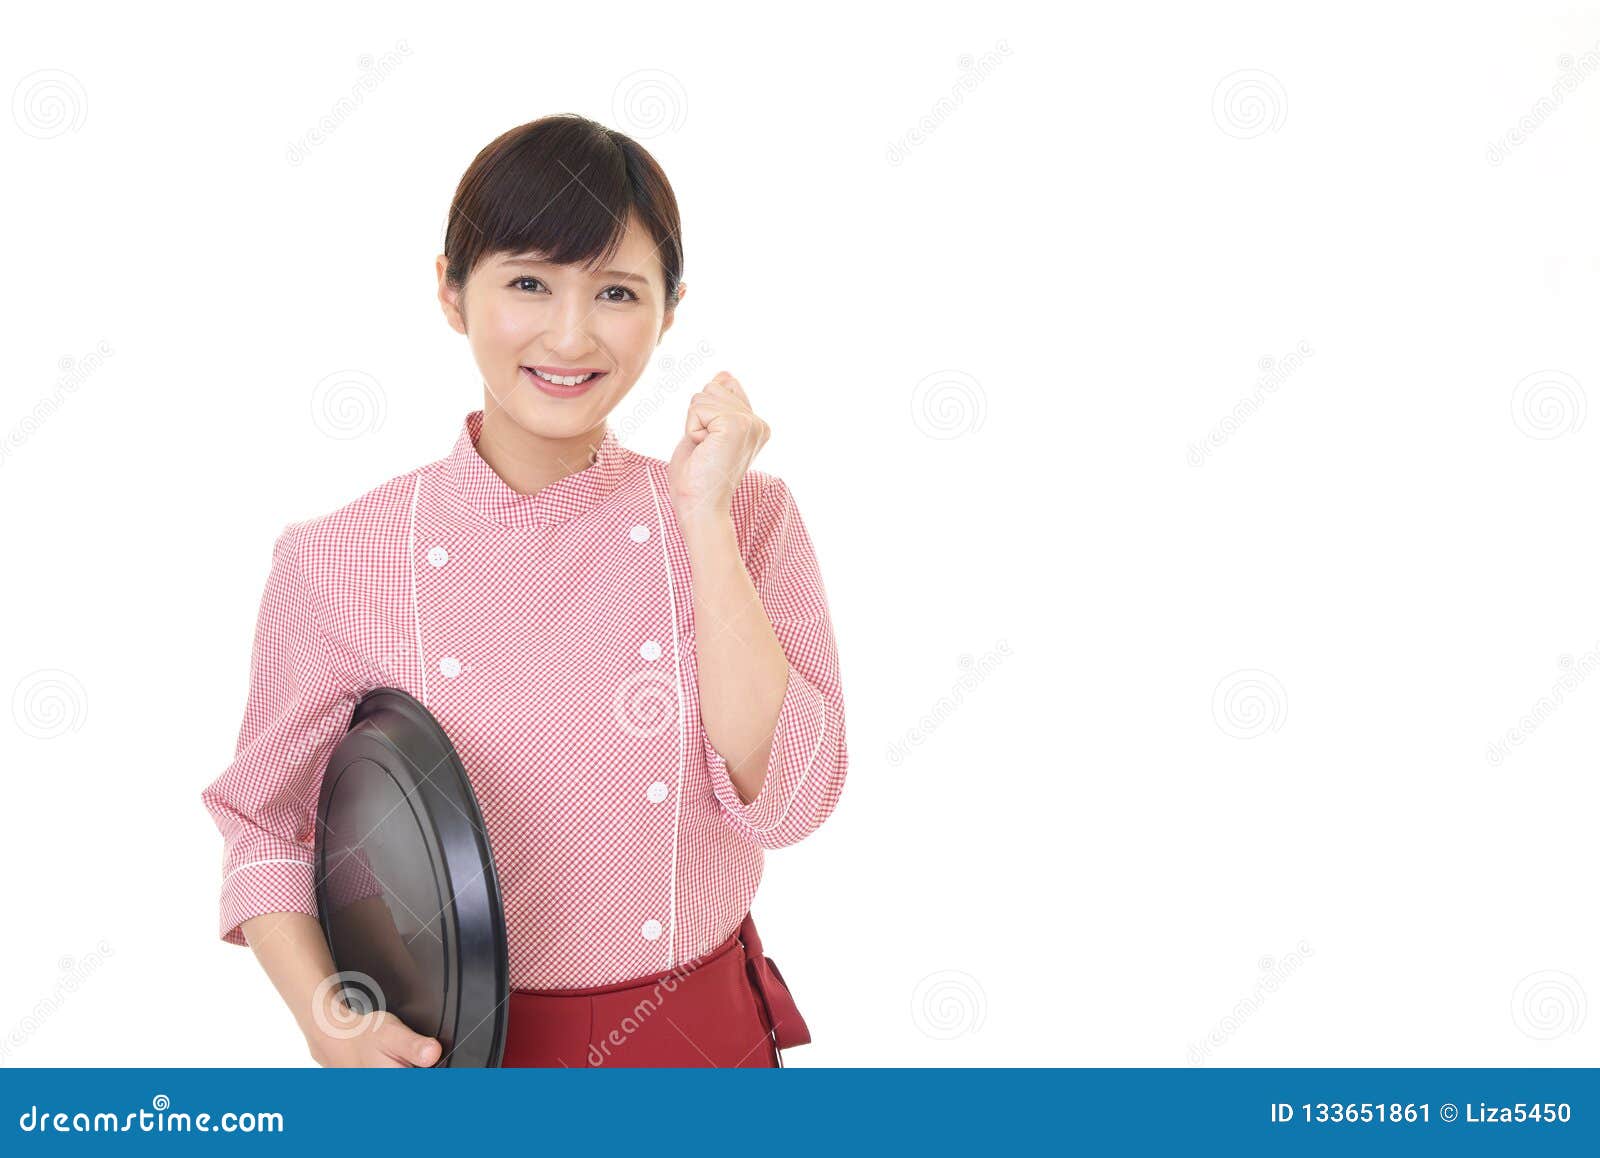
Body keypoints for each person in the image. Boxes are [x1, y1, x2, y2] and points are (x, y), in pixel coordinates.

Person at [198, 114, 849, 1067]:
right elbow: (266, 824)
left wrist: (703, 522)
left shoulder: (748, 519)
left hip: (700, 1044)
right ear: (452, 293)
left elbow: (789, 805)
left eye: (618, 291)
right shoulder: (337, 558)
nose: (572, 334)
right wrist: (327, 1018)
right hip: (457, 1053)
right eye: (529, 283)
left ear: (669, 311)